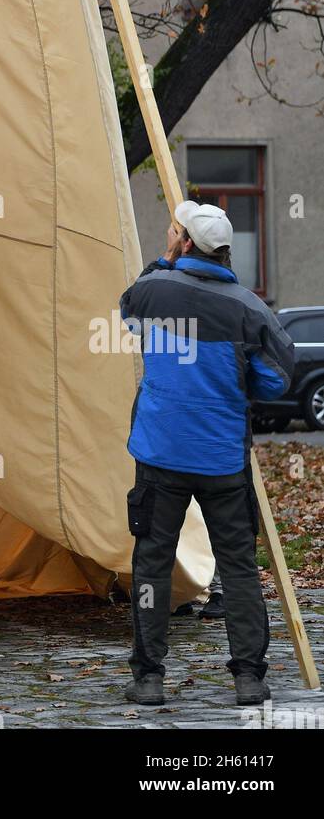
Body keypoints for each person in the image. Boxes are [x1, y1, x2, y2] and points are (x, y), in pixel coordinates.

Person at [119, 200, 294, 708]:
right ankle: (248, 679)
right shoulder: (249, 306)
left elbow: (128, 317)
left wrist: (166, 261)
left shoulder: (152, 288)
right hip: (222, 459)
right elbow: (276, 379)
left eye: (176, 233)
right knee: (238, 567)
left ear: (185, 243)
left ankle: (148, 678)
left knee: (152, 565)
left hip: (160, 454)